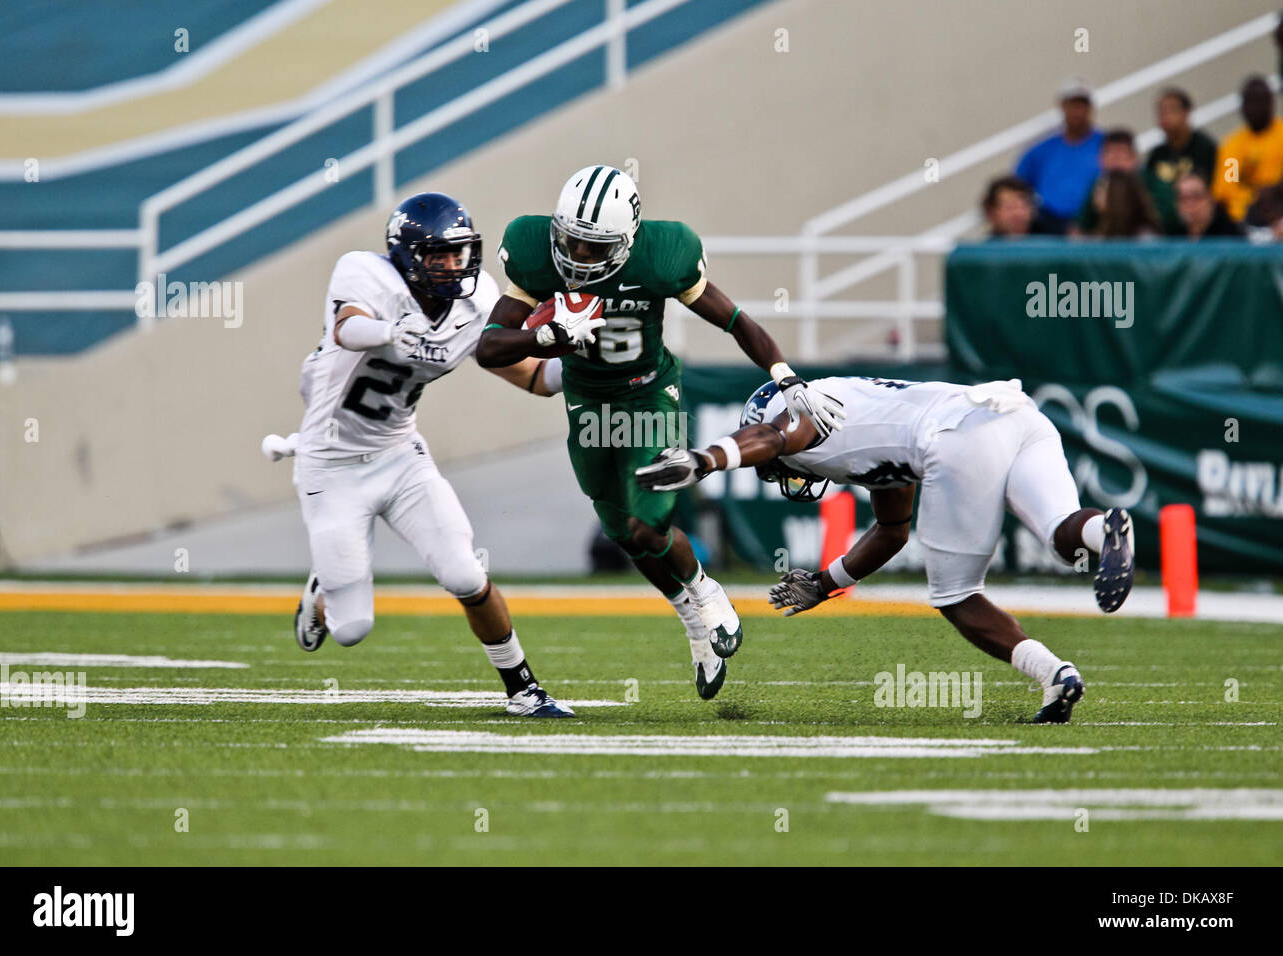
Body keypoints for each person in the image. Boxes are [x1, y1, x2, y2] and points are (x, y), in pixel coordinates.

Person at [476, 165, 845, 700]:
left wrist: (784, 375)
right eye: (571, 242)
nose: (578, 257)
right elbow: (490, 347)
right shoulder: (532, 248)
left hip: (648, 392)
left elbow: (734, 319)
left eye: (592, 247)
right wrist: (548, 335)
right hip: (587, 399)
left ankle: (706, 590)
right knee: (622, 533)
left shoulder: (663, 253)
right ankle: (691, 622)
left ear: (627, 240)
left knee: (648, 524)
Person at [636, 376, 1139, 724]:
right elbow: (892, 530)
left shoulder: (799, 413)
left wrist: (705, 459)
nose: (785, 471)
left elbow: (771, 435)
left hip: (959, 435)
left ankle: (1054, 673)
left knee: (956, 596)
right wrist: (824, 584)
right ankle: (1106, 531)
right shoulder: (864, 412)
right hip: (1015, 415)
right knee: (1061, 532)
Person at [265, 192, 575, 718]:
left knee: (464, 573)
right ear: (408, 257)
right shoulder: (366, 275)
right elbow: (348, 326)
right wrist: (392, 331)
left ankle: (523, 690)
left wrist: (578, 356)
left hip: (399, 454)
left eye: (461, 253)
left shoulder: (475, 303)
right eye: (439, 256)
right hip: (330, 462)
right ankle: (321, 591)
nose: (454, 266)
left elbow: (535, 379)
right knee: (352, 629)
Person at [1015, 77, 1104, 233]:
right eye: (1072, 105)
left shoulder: (1107, 145)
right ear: (1062, 107)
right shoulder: (1041, 149)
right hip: (1049, 224)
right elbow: (1017, 184)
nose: (1077, 111)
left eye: (1082, 105)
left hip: (1095, 225)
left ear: (1090, 108)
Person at [1077, 129, 1176, 235]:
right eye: (1110, 152)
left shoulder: (1152, 181)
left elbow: (1166, 220)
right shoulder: (1098, 184)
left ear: (1134, 158)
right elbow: (1082, 225)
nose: (1115, 158)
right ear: (1101, 158)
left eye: (1121, 152)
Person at [1212, 76, 1283, 221]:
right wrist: (1252, 200)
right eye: (1249, 102)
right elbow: (1227, 190)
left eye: (1260, 101)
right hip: (1241, 222)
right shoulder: (1232, 144)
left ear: (1271, 104)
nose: (1254, 108)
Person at [1146, 87, 1217, 186]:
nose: (1165, 117)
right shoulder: (1157, 155)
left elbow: (1227, 182)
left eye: (1171, 110)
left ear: (1186, 112)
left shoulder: (1206, 149)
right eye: (1161, 112)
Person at [1083, 170, 1162, 238]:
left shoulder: (1144, 238)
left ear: (1117, 196)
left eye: (1101, 189)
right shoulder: (1099, 232)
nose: (1095, 194)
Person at [1174, 172, 1244, 239]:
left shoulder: (1231, 235)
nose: (1190, 204)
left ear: (1210, 198)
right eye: (1183, 198)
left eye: (1196, 196)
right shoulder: (1173, 236)